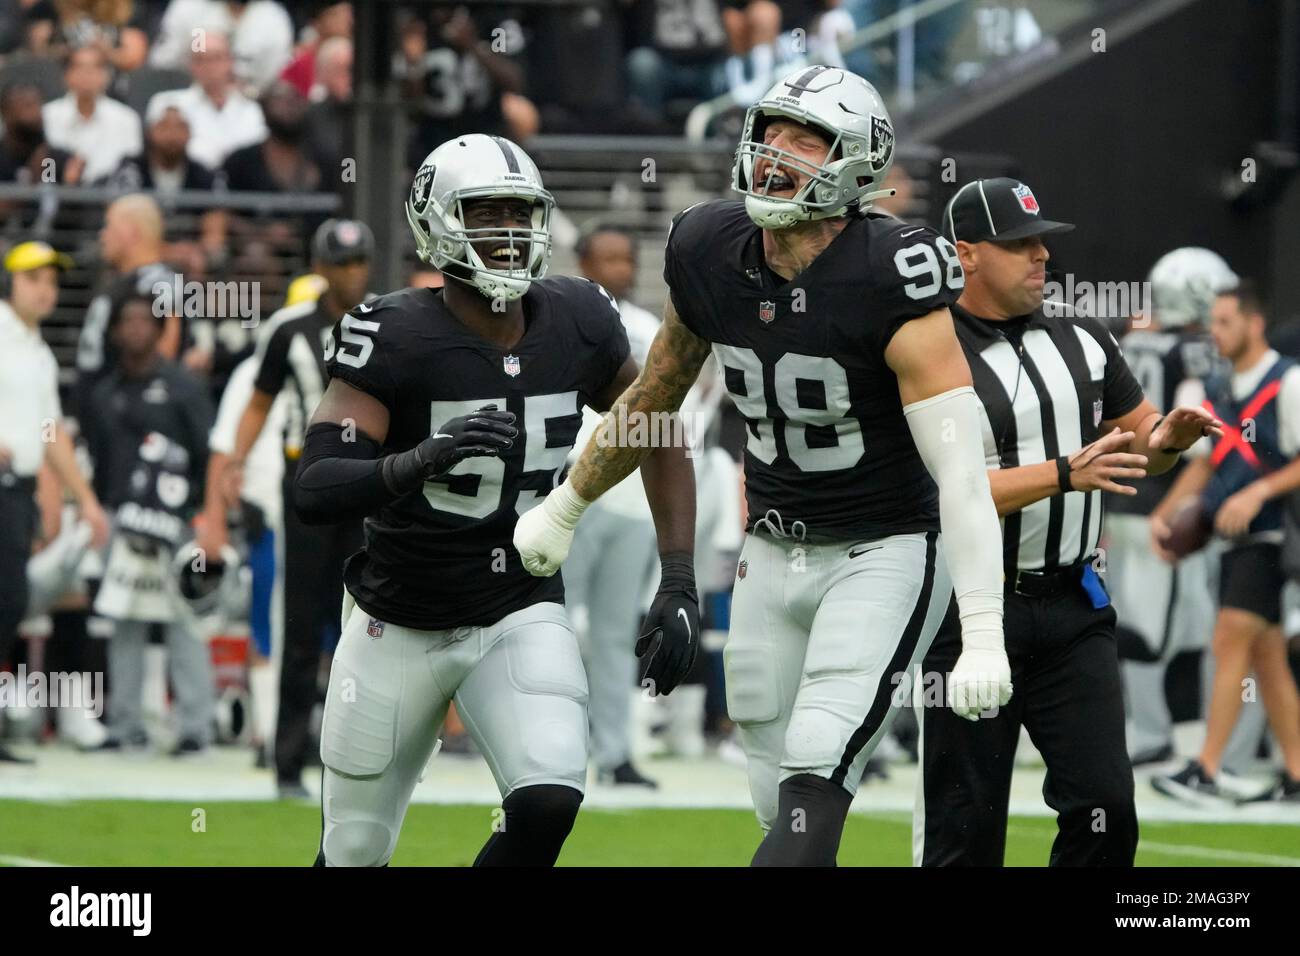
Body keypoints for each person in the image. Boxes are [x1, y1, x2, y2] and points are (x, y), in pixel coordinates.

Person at [516, 66, 1014, 867]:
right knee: (771, 792)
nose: (776, 152)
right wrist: (567, 504)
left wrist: (984, 631)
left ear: (858, 160)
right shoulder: (708, 247)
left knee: (817, 763)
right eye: (770, 131)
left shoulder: (893, 271)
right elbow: (657, 392)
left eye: (804, 137)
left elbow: (962, 469)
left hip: (884, 549)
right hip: (769, 549)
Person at [292, 133, 697, 866]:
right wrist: (415, 462)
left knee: (548, 799)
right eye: (484, 214)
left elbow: (658, 426)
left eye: (521, 212)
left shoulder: (578, 318)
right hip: (398, 616)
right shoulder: (395, 333)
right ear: (435, 221)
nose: (509, 233)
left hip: (517, 604)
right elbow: (316, 486)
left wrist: (677, 574)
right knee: (353, 852)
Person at [914, 178, 1219, 867]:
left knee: (1106, 807)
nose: (1041, 254)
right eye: (1019, 243)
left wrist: (1167, 440)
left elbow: (1139, 443)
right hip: (969, 611)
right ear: (965, 254)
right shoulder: (926, 350)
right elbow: (937, 496)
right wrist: (1061, 473)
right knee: (966, 827)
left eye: (1041, 240)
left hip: (1073, 608)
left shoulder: (1083, 337)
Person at [201, 217, 371, 799]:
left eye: (359, 262)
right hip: (305, 482)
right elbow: (258, 401)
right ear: (321, 268)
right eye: (342, 263)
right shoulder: (290, 330)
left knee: (365, 624)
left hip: (365, 480)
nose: (353, 273)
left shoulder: (382, 322)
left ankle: (363, 760)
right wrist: (233, 463)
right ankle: (288, 762)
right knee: (300, 624)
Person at [1150, 282, 1300, 804]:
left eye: (1225, 323)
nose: (1215, 333)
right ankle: (1298, 775)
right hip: (1236, 538)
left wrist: (1258, 490)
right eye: (1212, 323)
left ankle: (1207, 768)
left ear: (1254, 323)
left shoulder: (1289, 380)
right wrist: (1165, 513)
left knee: (1229, 639)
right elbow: (1210, 461)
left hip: (1274, 535)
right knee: (1268, 658)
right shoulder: (1220, 386)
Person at [1107, 247, 1234, 766]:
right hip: (1171, 510)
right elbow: (1205, 443)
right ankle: (1174, 735)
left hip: (1123, 501)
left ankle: (1176, 733)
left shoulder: (1128, 342)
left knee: (1152, 623)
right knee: (1186, 629)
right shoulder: (1195, 352)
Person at [82, 292, 215, 753]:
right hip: (121, 521)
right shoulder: (103, 393)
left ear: (161, 331)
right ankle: (123, 725)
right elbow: (97, 461)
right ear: (115, 330)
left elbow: (208, 454)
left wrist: (204, 515)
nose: (136, 328)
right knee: (124, 619)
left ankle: (196, 728)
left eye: (146, 320)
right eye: (128, 320)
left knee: (184, 620)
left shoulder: (184, 387)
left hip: (177, 523)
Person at [0, 241, 109, 763]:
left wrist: (83, 499)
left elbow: (51, 434)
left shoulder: (39, 352)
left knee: (9, 603)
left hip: (15, 491)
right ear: (12, 282)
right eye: (34, 279)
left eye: (52, 280)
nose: (46, 290)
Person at [75, 194, 184, 418]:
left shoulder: (159, 282)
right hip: (100, 411)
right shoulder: (124, 282)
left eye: (108, 226)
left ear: (130, 232)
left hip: (127, 418)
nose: (102, 235)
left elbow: (164, 352)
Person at [147, 31, 267, 171]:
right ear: (191, 64)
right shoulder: (167, 104)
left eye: (216, 58)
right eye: (200, 59)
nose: (209, 66)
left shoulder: (253, 110)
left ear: (230, 61)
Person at [41, 44, 141, 183]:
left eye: (95, 68)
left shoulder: (126, 118)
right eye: (79, 67)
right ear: (66, 75)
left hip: (111, 197)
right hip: (59, 193)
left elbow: (130, 169)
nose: (86, 74)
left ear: (106, 76)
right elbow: (45, 166)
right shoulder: (47, 115)